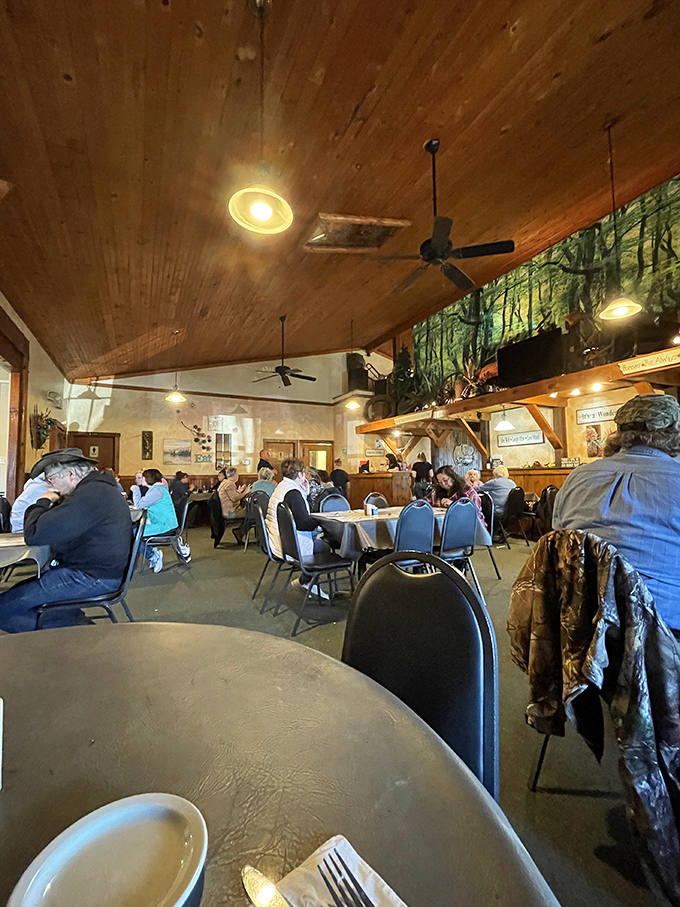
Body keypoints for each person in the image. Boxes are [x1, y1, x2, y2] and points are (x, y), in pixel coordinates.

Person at [553, 394, 680, 633]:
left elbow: (558, 539)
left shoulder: (576, 478)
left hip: (580, 624)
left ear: (619, 432)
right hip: (664, 630)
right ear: (675, 429)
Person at [0, 448, 133, 632]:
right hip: (97, 571)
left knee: (3, 608)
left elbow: (34, 534)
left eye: (50, 479)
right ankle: (72, 625)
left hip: (92, 577)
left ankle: (73, 635)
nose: (49, 485)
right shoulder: (99, 490)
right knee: (17, 594)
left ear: (70, 474)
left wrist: (43, 500)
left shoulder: (90, 495)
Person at [265, 457, 330, 597]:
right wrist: (322, 522)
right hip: (291, 548)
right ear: (300, 474)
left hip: (277, 541)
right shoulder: (293, 493)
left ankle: (306, 581)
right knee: (325, 547)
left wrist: (305, 494)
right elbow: (304, 524)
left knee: (318, 540)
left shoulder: (282, 488)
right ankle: (307, 581)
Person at [132, 468, 186, 571]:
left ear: (148, 478)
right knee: (134, 530)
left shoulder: (157, 491)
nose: (141, 479)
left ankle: (153, 555)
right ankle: (151, 554)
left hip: (164, 526)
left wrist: (135, 490)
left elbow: (138, 504)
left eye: (142, 477)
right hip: (166, 523)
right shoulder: (158, 489)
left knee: (135, 533)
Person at [218, 467, 252, 545]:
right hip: (231, 512)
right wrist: (246, 492)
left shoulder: (224, 482)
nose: (238, 475)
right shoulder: (230, 484)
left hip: (225, 509)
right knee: (252, 514)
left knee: (251, 513)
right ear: (234, 475)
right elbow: (235, 498)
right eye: (237, 474)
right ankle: (239, 532)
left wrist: (238, 491)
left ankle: (240, 531)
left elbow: (230, 496)